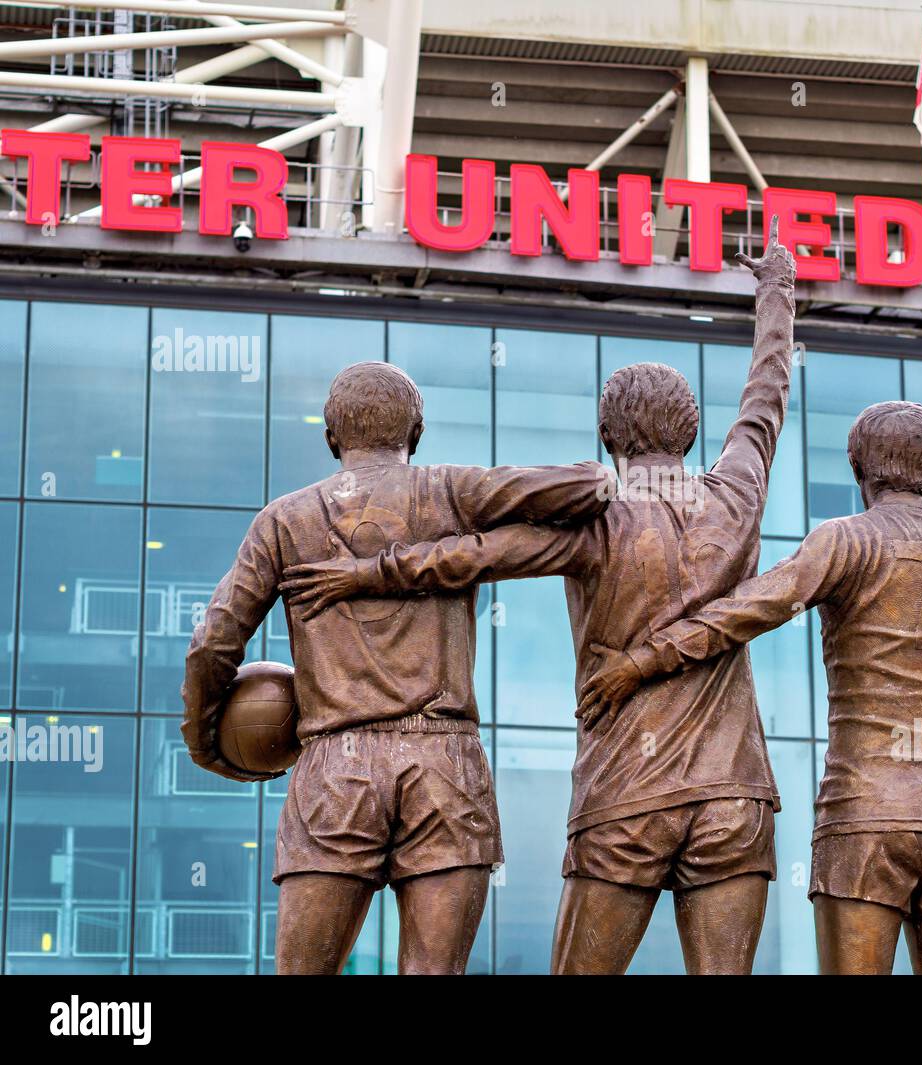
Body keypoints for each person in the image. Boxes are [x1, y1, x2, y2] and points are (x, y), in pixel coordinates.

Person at [278, 216, 798, 974]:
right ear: (689, 433)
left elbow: (469, 558)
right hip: (736, 798)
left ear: (610, 438)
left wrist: (366, 572)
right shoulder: (737, 496)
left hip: (627, 797)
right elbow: (766, 393)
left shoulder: (598, 523)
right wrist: (777, 288)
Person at [578, 399, 922, 974]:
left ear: (860, 471)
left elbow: (747, 612)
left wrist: (644, 660)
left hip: (863, 820)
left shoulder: (844, 542)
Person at [181, 360, 614, 974]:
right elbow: (594, 485)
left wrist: (205, 742)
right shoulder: (450, 490)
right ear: (416, 430)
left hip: (336, 767)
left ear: (333, 437)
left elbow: (213, 643)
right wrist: (451, 553)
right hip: (444, 762)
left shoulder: (284, 521)